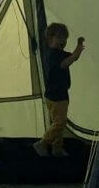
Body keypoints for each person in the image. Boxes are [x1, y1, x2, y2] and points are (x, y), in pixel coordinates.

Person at [33, 23, 85, 157]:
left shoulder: (60, 53)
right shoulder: (53, 55)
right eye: (60, 37)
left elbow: (73, 57)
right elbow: (64, 64)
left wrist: (78, 47)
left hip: (56, 95)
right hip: (57, 97)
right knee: (60, 123)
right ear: (50, 39)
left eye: (65, 38)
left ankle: (57, 149)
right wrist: (74, 55)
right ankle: (43, 143)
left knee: (57, 122)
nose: (63, 41)